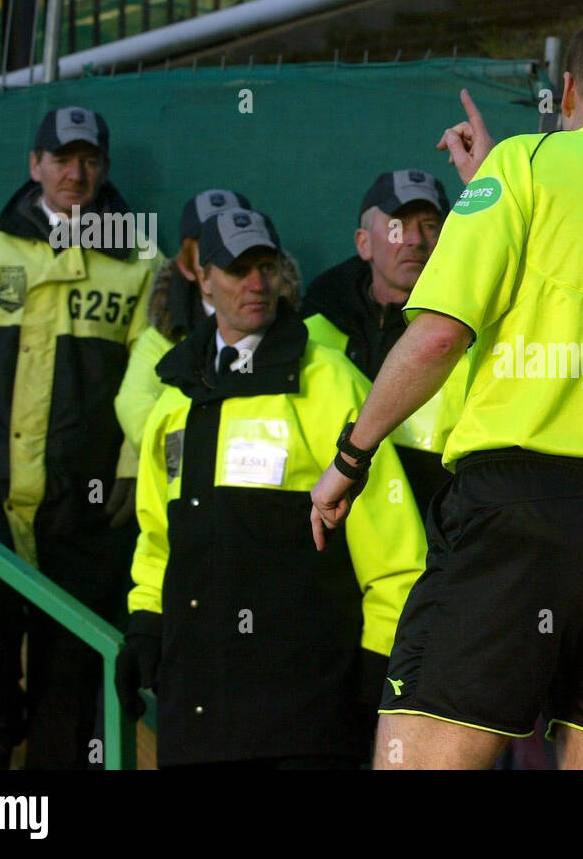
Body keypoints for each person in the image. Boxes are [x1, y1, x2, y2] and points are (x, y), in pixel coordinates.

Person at [310, 11, 583, 770]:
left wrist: (351, 456)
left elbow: (440, 334)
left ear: (567, 89)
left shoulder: (527, 166)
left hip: (519, 511)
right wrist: (495, 192)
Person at [116, 209, 426, 769]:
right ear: (201, 276)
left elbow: (392, 542)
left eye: (266, 266)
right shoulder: (175, 400)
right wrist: (144, 626)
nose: (257, 283)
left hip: (307, 715)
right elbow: (159, 540)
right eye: (238, 269)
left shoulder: (329, 379)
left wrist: (378, 659)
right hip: (197, 714)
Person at [0, 105, 159, 768]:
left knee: (73, 665)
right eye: (62, 159)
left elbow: (156, 376)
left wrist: (136, 466)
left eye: (89, 161)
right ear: (34, 165)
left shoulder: (139, 257)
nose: (75, 173)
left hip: (88, 500)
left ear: (103, 169)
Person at [300, 170, 466, 513]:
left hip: (438, 538)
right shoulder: (312, 332)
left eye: (431, 226)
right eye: (397, 226)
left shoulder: (474, 333)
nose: (415, 240)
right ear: (363, 243)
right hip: (327, 534)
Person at [114, 189, 301, 458]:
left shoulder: (291, 332)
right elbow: (136, 412)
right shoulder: (163, 337)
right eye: (208, 241)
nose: (223, 247)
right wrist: (210, 459)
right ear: (194, 269)